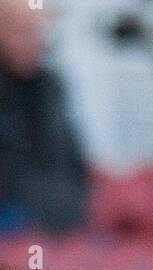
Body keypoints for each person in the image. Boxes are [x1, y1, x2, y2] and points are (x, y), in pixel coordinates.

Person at [0, 0, 87, 231]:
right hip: (19, 219)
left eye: (39, 33)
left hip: (64, 213)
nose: (35, 43)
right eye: (23, 32)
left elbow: (71, 157)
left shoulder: (50, 86)